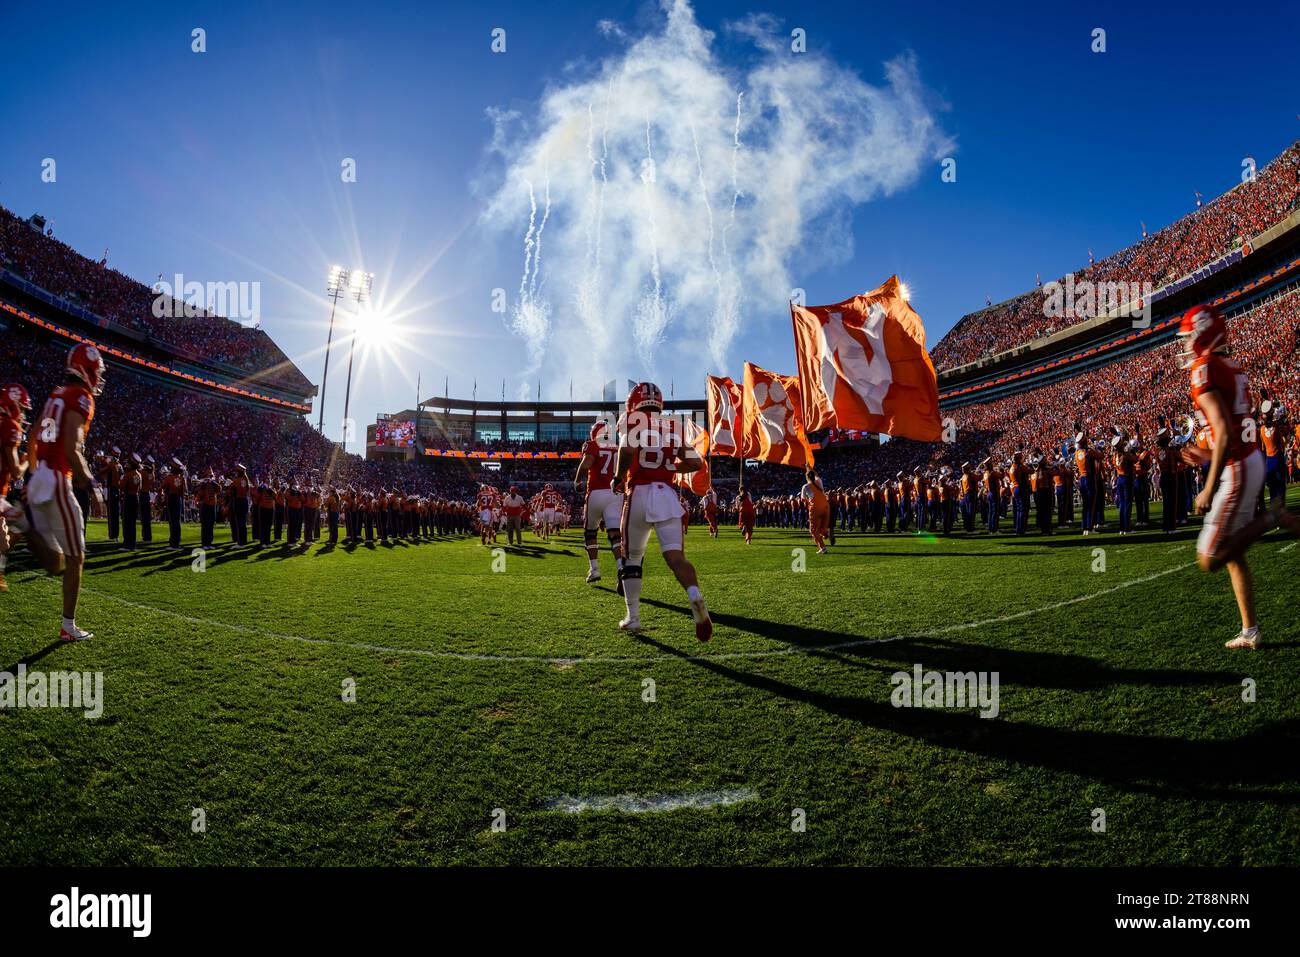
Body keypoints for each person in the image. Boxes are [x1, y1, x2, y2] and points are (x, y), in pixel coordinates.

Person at [1176, 304, 1299, 649]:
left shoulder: (1204, 370)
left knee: (1209, 557)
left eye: (1189, 337)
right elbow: (1230, 432)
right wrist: (1208, 454)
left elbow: (1225, 433)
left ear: (1202, 334)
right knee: (1233, 554)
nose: (1186, 345)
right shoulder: (1229, 365)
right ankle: (1250, 631)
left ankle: (1271, 517)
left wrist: (1208, 486)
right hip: (1245, 460)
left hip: (1238, 466)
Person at [612, 382, 712, 640]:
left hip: (640, 492)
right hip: (666, 494)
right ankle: (694, 595)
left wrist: (619, 476)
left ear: (634, 402)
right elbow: (696, 462)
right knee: (677, 559)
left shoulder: (632, 420)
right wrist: (671, 468)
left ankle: (633, 617)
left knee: (632, 558)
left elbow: (627, 448)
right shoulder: (673, 427)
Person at [26, 342, 104, 641]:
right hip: (59, 478)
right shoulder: (80, 396)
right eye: (96, 371)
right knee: (76, 557)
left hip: (41, 478)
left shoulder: (56, 394)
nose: (97, 377)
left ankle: (21, 524)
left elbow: (33, 438)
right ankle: (68, 627)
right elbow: (72, 448)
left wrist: (35, 476)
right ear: (86, 370)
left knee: (55, 559)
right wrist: (91, 484)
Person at [574, 420, 624, 583]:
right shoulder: (618, 447)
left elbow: (587, 463)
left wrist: (577, 481)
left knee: (590, 532)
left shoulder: (593, 445)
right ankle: (620, 567)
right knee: (615, 534)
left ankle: (594, 569)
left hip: (596, 492)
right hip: (616, 493)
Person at [0, 383, 33, 592]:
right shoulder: (9, 426)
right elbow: (17, 471)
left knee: (9, 534)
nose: (22, 413)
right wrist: (28, 457)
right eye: (21, 407)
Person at [800, 467, 831, 554]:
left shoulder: (805, 486)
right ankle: (825, 533)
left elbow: (803, 499)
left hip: (815, 508)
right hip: (825, 506)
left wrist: (809, 501)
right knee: (822, 527)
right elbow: (817, 475)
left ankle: (823, 547)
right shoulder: (819, 482)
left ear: (807, 477)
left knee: (813, 530)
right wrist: (810, 468)